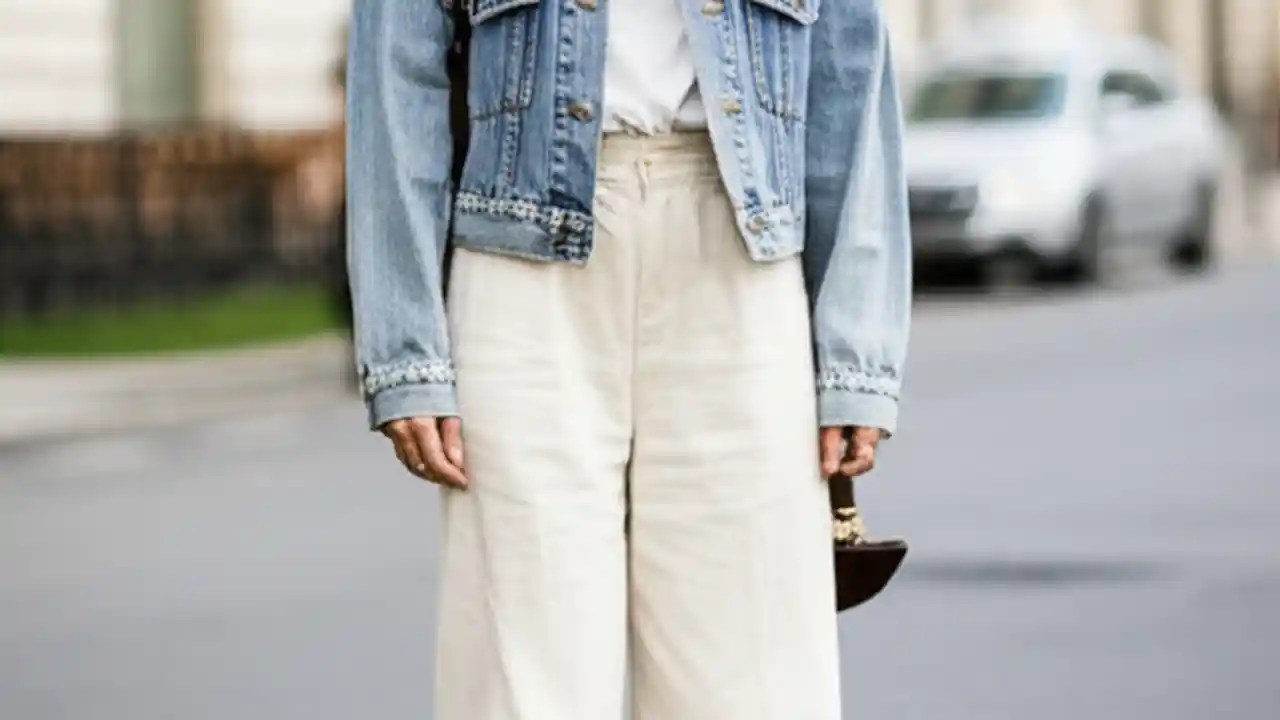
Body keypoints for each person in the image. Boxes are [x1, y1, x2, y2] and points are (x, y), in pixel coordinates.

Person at [345, 0, 911, 717]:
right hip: (521, 259)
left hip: (741, 249)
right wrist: (406, 346)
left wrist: (855, 352)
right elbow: (395, 70)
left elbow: (849, 74)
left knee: (752, 675)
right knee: (522, 670)